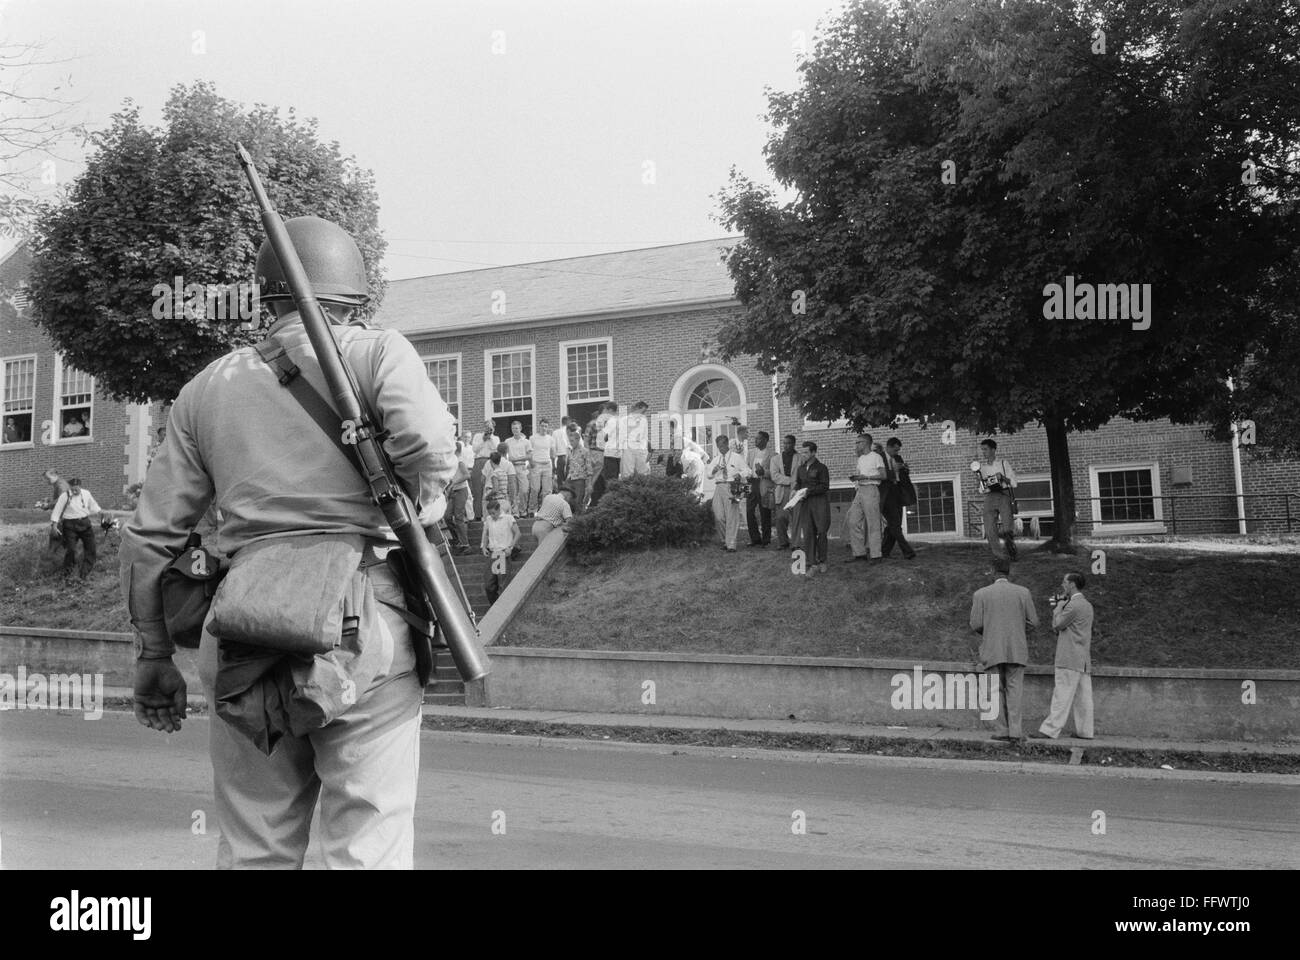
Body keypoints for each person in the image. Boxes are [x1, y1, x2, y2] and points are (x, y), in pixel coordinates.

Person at [121, 214, 458, 869]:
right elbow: (429, 447)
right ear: (356, 299)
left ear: (264, 299)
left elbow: (149, 540)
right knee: (365, 847)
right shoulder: (378, 351)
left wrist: (153, 654)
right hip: (363, 619)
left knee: (255, 849)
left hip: (244, 620)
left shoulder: (204, 389)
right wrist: (419, 496)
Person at [970, 557, 1039, 743]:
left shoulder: (981, 594)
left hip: (992, 648)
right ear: (1009, 572)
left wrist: (990, 630)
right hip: (1016, 647)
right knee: (1015, 690)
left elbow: (975, 623)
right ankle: (1016, 731)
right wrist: (1018, 628)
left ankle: (1001, 730)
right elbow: (1034, 622)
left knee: (995, 690)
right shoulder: (1023, 593)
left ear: (993, 572)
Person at [1033, 572, 1095, 740]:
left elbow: (1057, 625)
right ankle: (1085, 731)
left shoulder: (1072, 605)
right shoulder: (1088, 605)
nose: (1062, 585)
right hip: (1083, 659)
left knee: (1062, 694)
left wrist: (1058, 608)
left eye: (1065, 582)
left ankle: (1049, 730)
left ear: (1072, 584)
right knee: (1084, 698)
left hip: (1069, 657)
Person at [975, 438, 1019, 561]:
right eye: (982, 450)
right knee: (989, 528)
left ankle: (1011, 553)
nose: (983, 452)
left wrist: (1002, 477)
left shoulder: (1004, 464)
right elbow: (981, 490)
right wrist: (980, 482)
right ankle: (998, 555)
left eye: (986, 449)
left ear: (993, 450)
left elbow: (1014, 483)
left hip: (1004, 495)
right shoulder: (982, 469)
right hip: (990, 497)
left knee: (1007, 528)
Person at [707, 435, 751, 552]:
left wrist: (740, 475)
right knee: (718, 516)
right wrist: (714, 470)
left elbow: (748, 471)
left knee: (732, 516)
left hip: (733, 486)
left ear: (727, 444)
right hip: (719, 486)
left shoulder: (736, 457)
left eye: (722, 445)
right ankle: (724, 540)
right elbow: (708, 475)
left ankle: (731, 544)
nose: (720, 448)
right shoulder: (716, 459)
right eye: (718, 446)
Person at [845, 434, 886, 564]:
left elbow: (883, 475)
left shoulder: (876, 457)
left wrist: (866, 477)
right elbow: (860, 474)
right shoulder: (861, 458)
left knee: (873, 523)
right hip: (860, 491)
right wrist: (856, 478)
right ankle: (859, 554)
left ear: (866, 443)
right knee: (852, 521)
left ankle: (876, 555)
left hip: (871, 489)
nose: (856, 445)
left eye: (859, 442)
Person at [52, 477, 102, 578]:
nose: (75, 490)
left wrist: (101, 515)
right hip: (70, 525)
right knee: (71, 549)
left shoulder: (86, 493)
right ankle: (67, 571)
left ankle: (85, 571)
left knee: (91, 548)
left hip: (85, 523)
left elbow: (94, 506)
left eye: (77, 488)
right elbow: (57, 510)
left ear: (80, 486)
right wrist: (54, 525)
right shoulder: (64, 496)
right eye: (73, 488)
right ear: (70, 487)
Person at [795, 440, 831, 572]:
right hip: (805, 504)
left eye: (806, 452)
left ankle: (822, 560)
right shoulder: (801, 469)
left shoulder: (822, 468)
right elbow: (798, 484)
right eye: (802, 452)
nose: (803, 454)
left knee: (821, 531)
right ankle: (812, 562)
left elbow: (824, 486)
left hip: (819, 502)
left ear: (814, 453)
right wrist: (795, 492)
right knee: (809, 532)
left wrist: (808, 491)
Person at [481, 494, 521, 607]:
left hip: (503, 553)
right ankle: (494, 606)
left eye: (493, 513)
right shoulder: (488, 520)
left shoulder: (508, 518)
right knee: (489, 585)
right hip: (493, 553)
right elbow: (485, 534)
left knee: (502, 583)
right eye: (490, 513)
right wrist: (483, 547)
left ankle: (502, 609)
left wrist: (511, 547)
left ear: (499, 509)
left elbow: (518, 533)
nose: (492, 515)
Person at [880, 437, 916, 561]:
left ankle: (884, 551)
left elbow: (903, 474)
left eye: (898, 451)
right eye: (895, 450)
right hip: (886, 493)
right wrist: (893, 470)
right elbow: (880, 475)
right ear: (888, 447)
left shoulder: (898, 458)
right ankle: (907, 551)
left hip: (897, 492)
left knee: (894, 524)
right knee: (894, 524)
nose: (897, 453)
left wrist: (904, 469)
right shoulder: (879, 457)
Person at [770, 434, 798, 550]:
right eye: (784, 443)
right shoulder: (775, 459)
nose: (786, 445)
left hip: (796, 490)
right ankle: (783, 542)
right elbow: (775, 476)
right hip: (781, 490)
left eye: (789, 443)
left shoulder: (800, 458)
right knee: (781, 518)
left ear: (793, 444)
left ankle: (796, 543)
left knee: (796, 518)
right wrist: (790, 480)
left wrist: (795, 484)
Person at [445, 435, 473, 554]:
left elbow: (467, 475)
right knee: (447, 517)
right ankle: (457, 540)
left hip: (461, 490)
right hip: (453, 491)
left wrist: (453, 483)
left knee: (458, 516)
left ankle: (465, 544)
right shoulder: (450, 462)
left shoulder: (460, 461)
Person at [745, 430, 772, 546]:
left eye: (759, 439)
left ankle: (766, 539)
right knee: (749, 511)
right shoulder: (751, 452)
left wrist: (764, 472)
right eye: (755, 438)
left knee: (764, 511)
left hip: (763, 483)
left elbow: (774, 472)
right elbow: (746, 467)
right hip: (752, 483)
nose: (756, 440)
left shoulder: (772, 455)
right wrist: (747, 474)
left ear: (766, 440)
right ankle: (755, 538)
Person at [470, 419, 499, 519]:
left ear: (493, 428)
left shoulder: (496, 438)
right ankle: (477, 515)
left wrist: (490, 439)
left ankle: (490, 514)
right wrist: (483, 439)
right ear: (484, 427)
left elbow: (496, 449)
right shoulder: (478, 436)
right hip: (479, 461)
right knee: (477, 489)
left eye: (490, 428)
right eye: (487, 427)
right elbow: (474, 449)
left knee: (489, 488)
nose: (488, 429)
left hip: (490, 461)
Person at [563, 422, 595, 514]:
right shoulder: (571, 451)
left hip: (580, 480)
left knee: (578, 502)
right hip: (570, 479)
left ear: (578, 440)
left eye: (572, 441)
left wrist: (589, 484)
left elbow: (589, 470)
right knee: (567, 501)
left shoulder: (585, 452)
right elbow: (569, 467)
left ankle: (578, 522)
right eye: (570, 441)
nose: (571, 443)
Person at [527, 418, 556, 514]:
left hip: (547, 464)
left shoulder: (550, 439)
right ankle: (532, 510)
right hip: (536, 464)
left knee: (547, 490)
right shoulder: (532, 438)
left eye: (546, 426)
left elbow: (553, 453)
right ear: (539, 426)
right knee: (535, 488)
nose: (544, 428)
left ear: (548, 428)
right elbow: (529, 452)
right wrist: (531, 463)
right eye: (542, 426)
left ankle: (545, 510)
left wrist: (554, 465)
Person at [503, 421, 531, 517]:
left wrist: (517, 459)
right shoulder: (507, 441)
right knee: (513, 491)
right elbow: (504, 454)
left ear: (520, 429)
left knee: (524, 490)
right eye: (513, 428)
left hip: (522, 466)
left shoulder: (526, 441)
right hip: (511, 467)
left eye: (517, 428)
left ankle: (523, 510)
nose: (515, 430)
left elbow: (530, 456)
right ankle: (515, 512)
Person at [620, 401, 651, 478]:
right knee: (628, 472)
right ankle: (627, 488)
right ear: (637, 408)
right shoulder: (624, 420)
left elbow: (645, 436)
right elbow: (622, 435)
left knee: (643, 472)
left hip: (640, 448)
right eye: (643, 411)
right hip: (628, 448)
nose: (643, 414)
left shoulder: (644, 420)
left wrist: (645, 450)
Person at [679, 436, 706, 503]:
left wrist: (685, 475)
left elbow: (686, 470)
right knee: (698, 488)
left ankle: (695, 501)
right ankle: (698, 499)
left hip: (695, 465)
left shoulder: (684, 455)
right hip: (699, 464)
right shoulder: (691, 450)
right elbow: (704, 456)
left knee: (693, 488)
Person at [551, 415, 572, 490]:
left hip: (560, 457)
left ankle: (561, 495)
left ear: (561, 422)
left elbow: (553, 448)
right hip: (570, 455)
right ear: (569, 422)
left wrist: (553, 462)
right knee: (569, 478)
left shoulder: (555, 432)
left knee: (560, 478)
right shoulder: (571, 431)